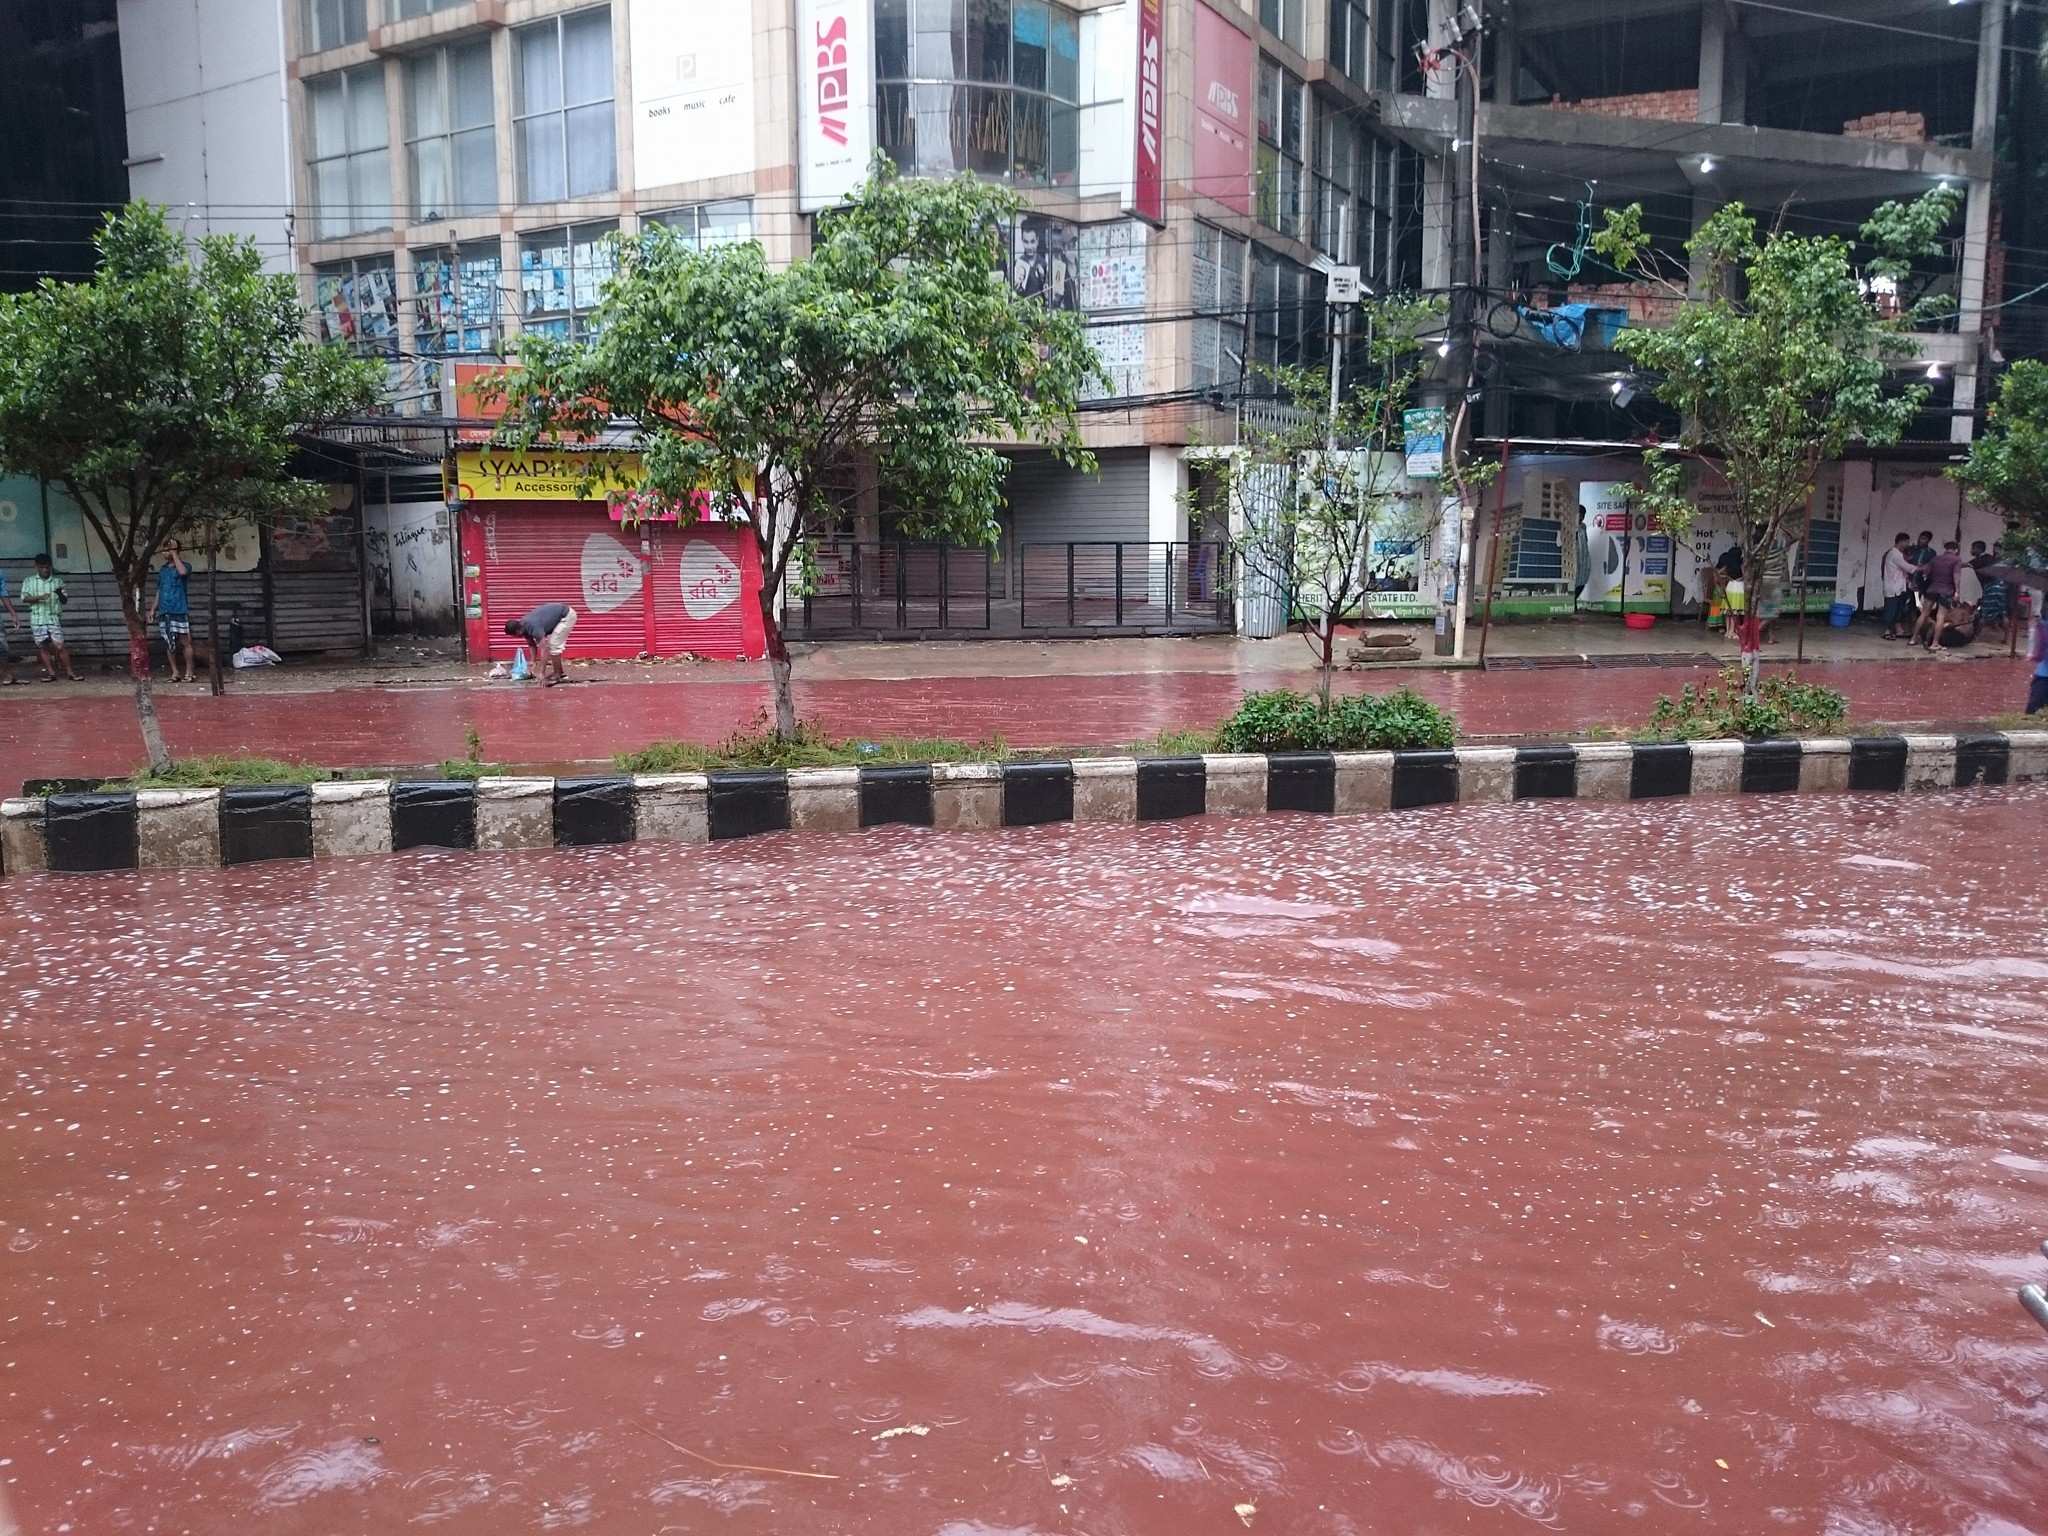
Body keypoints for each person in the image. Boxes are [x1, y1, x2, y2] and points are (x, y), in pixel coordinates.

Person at [19, 553, 79, 682]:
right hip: (37, 618)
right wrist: (39, 598)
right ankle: (51, 673)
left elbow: (64, 601)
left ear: (50, 566)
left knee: (60, 645)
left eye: (47, 567)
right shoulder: (28, 581)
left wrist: (59, 593)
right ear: (36, 567)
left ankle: (70, 672)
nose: (45, 570)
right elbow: (24, 598)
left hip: (53, 618)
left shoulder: (58, 581)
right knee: (43, 646)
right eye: (42, 567)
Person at [146, 539, 194, 683]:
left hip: (179, 609)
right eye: (165, 550)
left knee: (186, 641)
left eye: (168, 549)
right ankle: (175, 673)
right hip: (165, 610)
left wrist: (174, 553)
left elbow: (183, 572)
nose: (165, 552)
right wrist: (153, 609)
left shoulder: (185, 565)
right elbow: (159, 591)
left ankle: (189, 672)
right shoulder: (163, 570)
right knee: (169, 643)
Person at [504, 601, 576, 686]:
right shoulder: (523, 627)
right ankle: (559, 671)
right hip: (559, 614)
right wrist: (533, 662)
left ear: (518, 631)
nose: (516, 638)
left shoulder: (534, 627)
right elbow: (531, 644)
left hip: (566, 616)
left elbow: (544, 649)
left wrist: (542, 673)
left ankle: (557, 674)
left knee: (553, 645)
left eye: (514, 636)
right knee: (552, 644)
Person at [1914, 539, 1964, 651]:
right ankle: (1935, 643)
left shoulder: (1936, 558)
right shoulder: (1956, 559)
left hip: (1932, 589)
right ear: (1956, 549)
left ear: (1946, 549)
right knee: (1940, 616)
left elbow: (1925, 571)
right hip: (1946, 591)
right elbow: (1956, 575)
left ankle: (1913, 639)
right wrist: (1957, 591)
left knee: (1924, 614)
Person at [1880, 531, 1916, 639]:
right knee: (1891, 610)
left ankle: (1896, 630)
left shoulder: (1898, 554)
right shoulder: (1894, 554)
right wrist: (1921, 568)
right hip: (1893, 587)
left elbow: (1904, 571)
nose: (1908, 545)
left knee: (1898, 610)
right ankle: (1887, 631)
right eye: (1907, 542)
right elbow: (1908, 568)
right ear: (1902, 542)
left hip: (1899, 587)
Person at [2029, 603, 2048, 716]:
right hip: (2043, 676)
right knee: (2033, 710)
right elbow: (2037, 653)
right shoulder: (2043, 627)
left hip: (2043, 676)